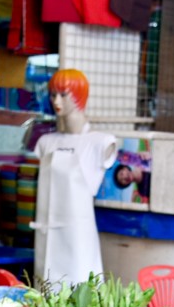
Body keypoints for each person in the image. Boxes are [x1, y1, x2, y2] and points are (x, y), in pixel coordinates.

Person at [34, 69, 117, 283]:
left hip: (78, 236)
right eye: (53, 95)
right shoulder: (46, 142)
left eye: (63, 94)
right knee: (45, 292)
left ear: (80, 96)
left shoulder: (100, 143)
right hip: (46, 233)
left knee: (81, 290)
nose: (56, 100)